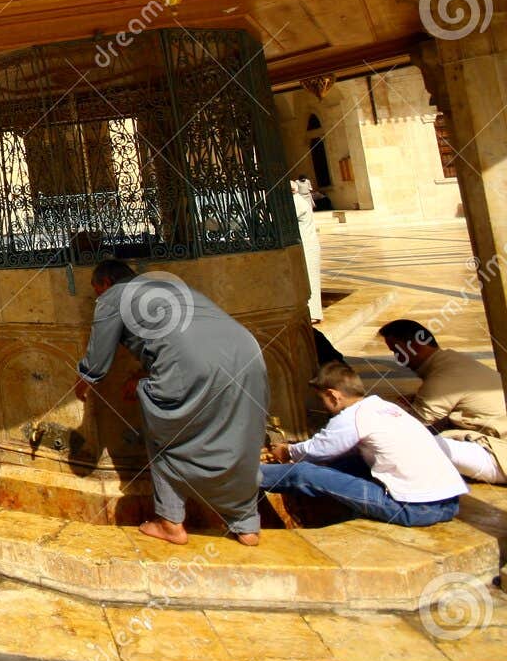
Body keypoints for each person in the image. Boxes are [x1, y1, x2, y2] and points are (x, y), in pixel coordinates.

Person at [75, 259, 268, 546]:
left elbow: (97, 360)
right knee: (240, 435)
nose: (98, 297)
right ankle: (246, 524)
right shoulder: (166, 286)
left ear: (105, 283)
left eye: (96, 291)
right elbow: (176, 339)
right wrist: (144, 374)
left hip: (192, 366)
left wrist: (83, 382)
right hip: (248, 355)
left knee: (165, 436)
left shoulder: (114, 295)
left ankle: (171, 523)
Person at [262, 361, 467, 526]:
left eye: (322, 399)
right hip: (449, 503)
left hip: (413, 508)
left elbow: (318, 450)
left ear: (333, 395)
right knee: (350, 462)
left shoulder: (353, 416)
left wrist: (288, 451)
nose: (323, 405)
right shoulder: (387, 408)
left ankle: (247, 475)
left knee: (304, 473)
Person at [378, 319, 507, 485]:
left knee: (409, 443)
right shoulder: (453, 361)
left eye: (397, 351)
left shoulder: (443, 376)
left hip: (500, 453)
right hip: (496, 441)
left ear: (415, 346)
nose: (398, 359)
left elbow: (414, 426)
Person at [291, 176, 323, 323]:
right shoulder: (299, 200)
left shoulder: (297, 202)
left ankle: (314, 313)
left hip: (308, 246)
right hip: (307, 244)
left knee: (311, 280)